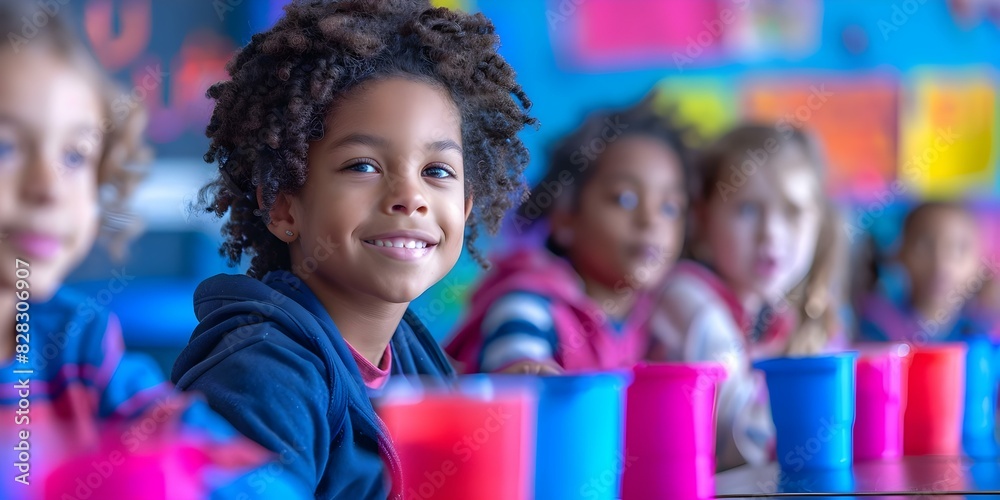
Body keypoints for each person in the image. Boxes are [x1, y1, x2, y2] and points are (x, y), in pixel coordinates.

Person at [169, 1, 536, 497]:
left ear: (467, 207)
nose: (410, 197)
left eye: (437, 172)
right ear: (283, 207)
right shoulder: (260, 373)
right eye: (363, 166)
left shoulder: (408, 352)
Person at [648, 124, 847, 469]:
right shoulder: (688, 301)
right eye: (747, 210)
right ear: (703, 220)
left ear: (819, 224)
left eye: (793, 212)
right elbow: (742, 441)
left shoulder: (787, 313)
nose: (771, 232)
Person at [446, 94, 691, 374]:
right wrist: (530, 372)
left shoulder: (657, 320)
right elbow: (517, 372)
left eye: (670, 208)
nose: (650, 221)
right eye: (625, 199)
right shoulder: (528, 304)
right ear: (565, 217)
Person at [857, 201, 996, 342]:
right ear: (900, 254)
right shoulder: (876, 328)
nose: (941, 263)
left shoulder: (983, 335)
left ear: (979, 262)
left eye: (959, 249)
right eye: (924, 247)